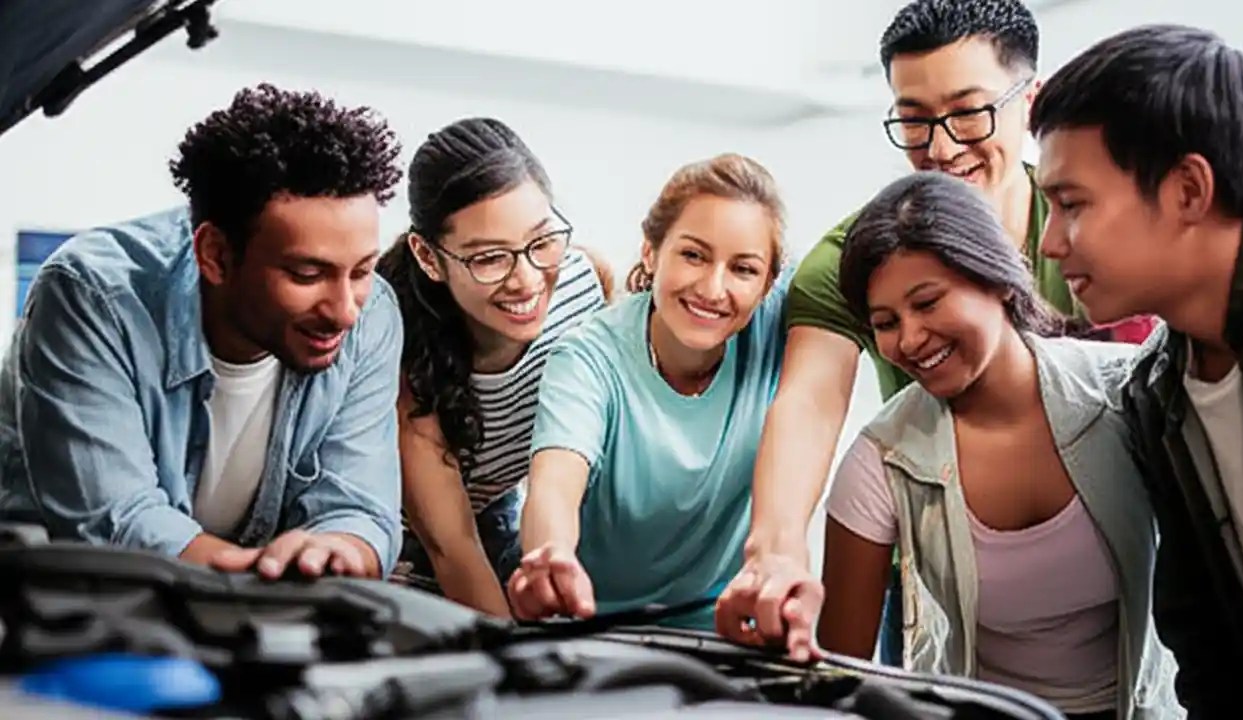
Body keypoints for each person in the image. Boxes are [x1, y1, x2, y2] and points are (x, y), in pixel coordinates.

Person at [714, 0, 1154, 661]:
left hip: (1114, 562)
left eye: (968, 112)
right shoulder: (848, 260)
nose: (942, 147)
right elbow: (807, 403)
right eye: (914, 120)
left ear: (1030, 102)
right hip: (948, 580)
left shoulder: (1091, 226)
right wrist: (774, 553)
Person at [0, 83, 405, 579]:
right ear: (215, 254)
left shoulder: (375, 313)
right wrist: (274, 580)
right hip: (56, 614)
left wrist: (339, 550)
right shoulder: (92, 297)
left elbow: (359, 509)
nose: (345, 311)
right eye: (306, 275)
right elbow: (119, 524)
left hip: (247, 617)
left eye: (362, 270)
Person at [817, 170, 1181, 720]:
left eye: (928, 302)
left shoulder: (1127, 393)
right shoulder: (881, 461)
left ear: (999, 279)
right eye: (886, 322)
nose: (910, 339)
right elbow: (837, 681)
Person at [1030, 24, 1243, 716]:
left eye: (1072, 203)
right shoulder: (1155, 390)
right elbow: (1208, 645)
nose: (1050, 242)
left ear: (1188, 189)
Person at [506, 153, 789, 630]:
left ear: (768, 284)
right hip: (593, 623)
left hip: (728, 631)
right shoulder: (588, 357)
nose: (713, 288)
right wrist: (549, 556)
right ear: (651, 252)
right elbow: (553, 487)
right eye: (693, 255)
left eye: (743, 269)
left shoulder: (779, 330)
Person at [376, 118, 607, 617]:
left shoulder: (584, 283)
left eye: (542, 242)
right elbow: (450, 546)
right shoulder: (404, 355)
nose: (525, 280)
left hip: (500, 510)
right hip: (400, 544)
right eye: (489, 258)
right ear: (429, 257)